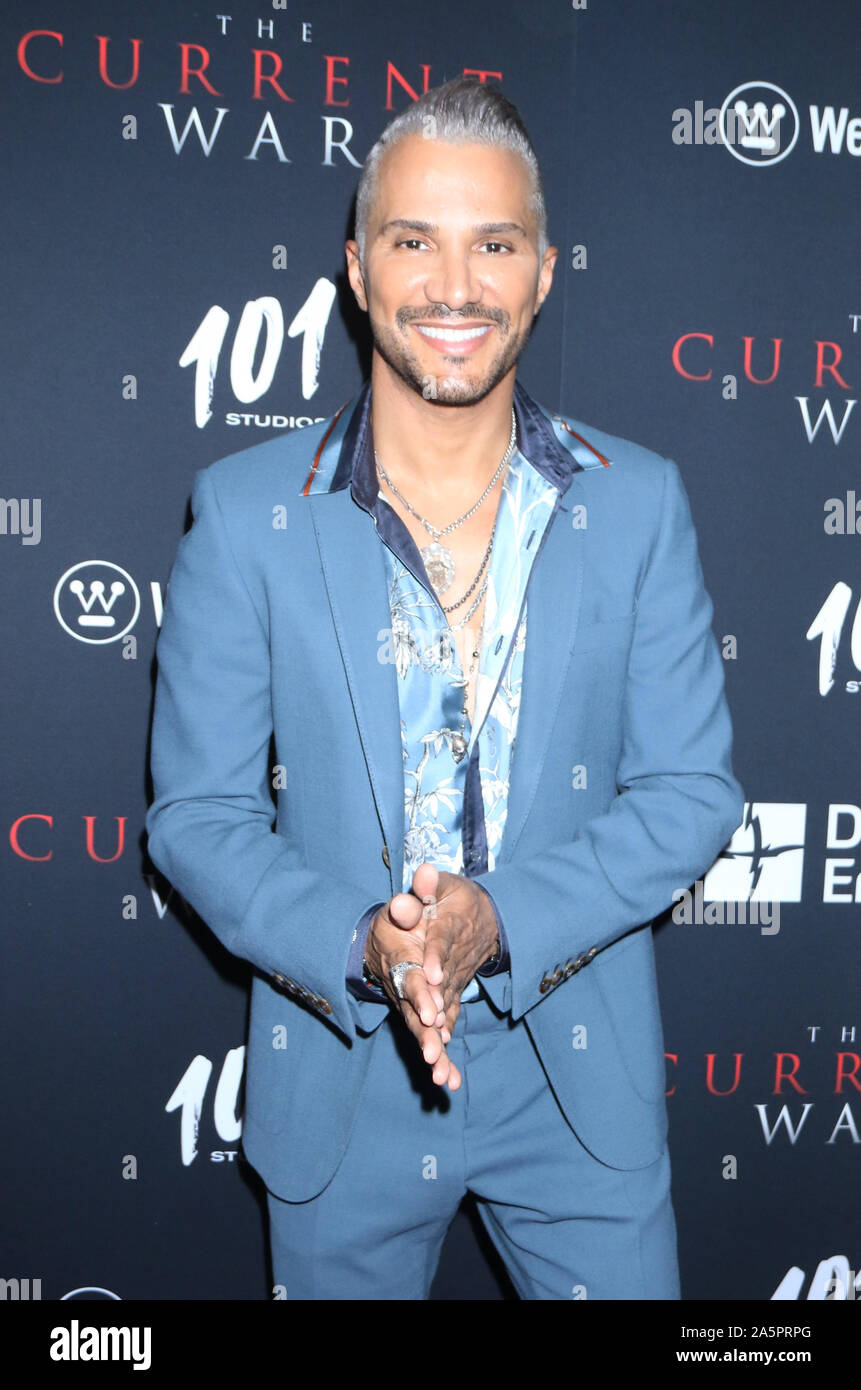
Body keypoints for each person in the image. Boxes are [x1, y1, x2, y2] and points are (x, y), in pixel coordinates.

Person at [146, 75, 744, 1300]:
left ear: (543, 271)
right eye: (416, 241)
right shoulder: (248, 511)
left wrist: (502, 921)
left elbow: (691, 794)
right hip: (340, 1080)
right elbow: (197, 818)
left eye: (495, 245)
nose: (457, 287)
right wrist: (359, 943)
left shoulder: (639, 503)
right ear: (359, 269)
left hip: (582, 1084)